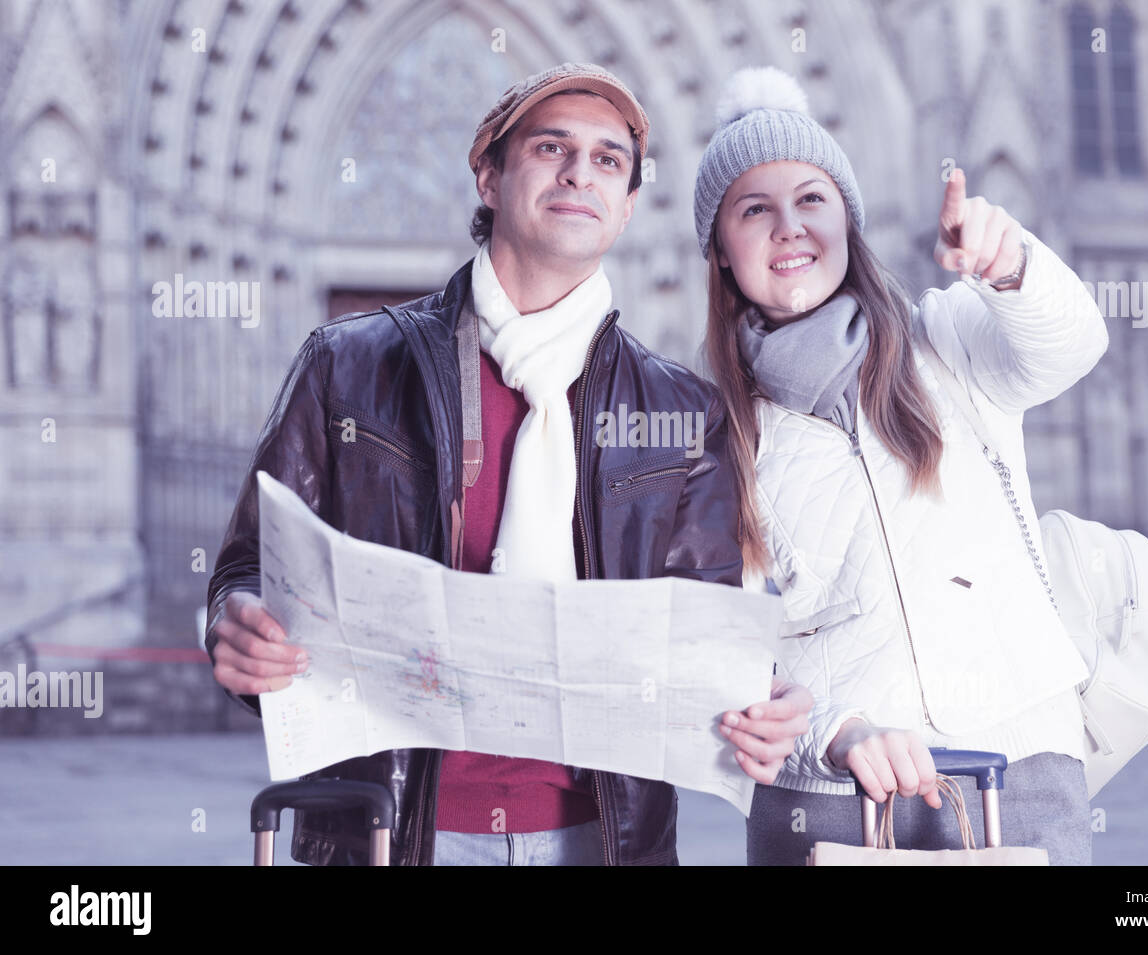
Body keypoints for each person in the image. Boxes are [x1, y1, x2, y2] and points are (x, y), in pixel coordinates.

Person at [205, 62, 811, 866]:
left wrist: (763, 700)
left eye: (607, 160)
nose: (578, 173)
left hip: (598, 839)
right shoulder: (345, 364)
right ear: (488, 174)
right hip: (389, 827)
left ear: (627, 206)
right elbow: (246, 570)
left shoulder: (682, 412)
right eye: (551, 146)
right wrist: (236, 626)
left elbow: (703, 640)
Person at [692, 67, 1108, 865]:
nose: (791, 227)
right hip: (829, 803)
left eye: (812, 198)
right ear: (718, 249)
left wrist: (1009, 262)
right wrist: (835, 730)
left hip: (1014, 776)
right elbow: (724, 651)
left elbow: (1072, 345)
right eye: (755, 208)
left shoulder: (946, 342)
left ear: (846, 217)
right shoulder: (714, 431)